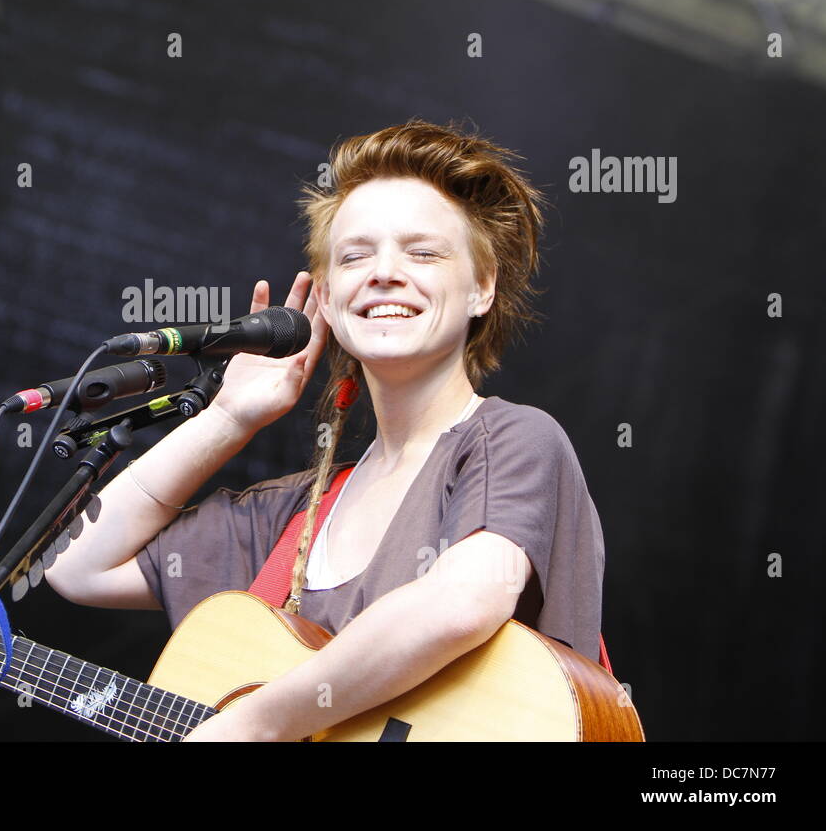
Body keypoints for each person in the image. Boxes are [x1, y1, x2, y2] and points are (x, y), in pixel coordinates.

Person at [44, 119, 606, 741]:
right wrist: (228, 419)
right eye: (355, 256)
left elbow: (462, 604)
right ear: (330, 303)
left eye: (422, 252)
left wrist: (256, 724)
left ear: (480, 287)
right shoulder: (288, 517)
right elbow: (75, 566)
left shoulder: (513, 440)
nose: (384, 273)